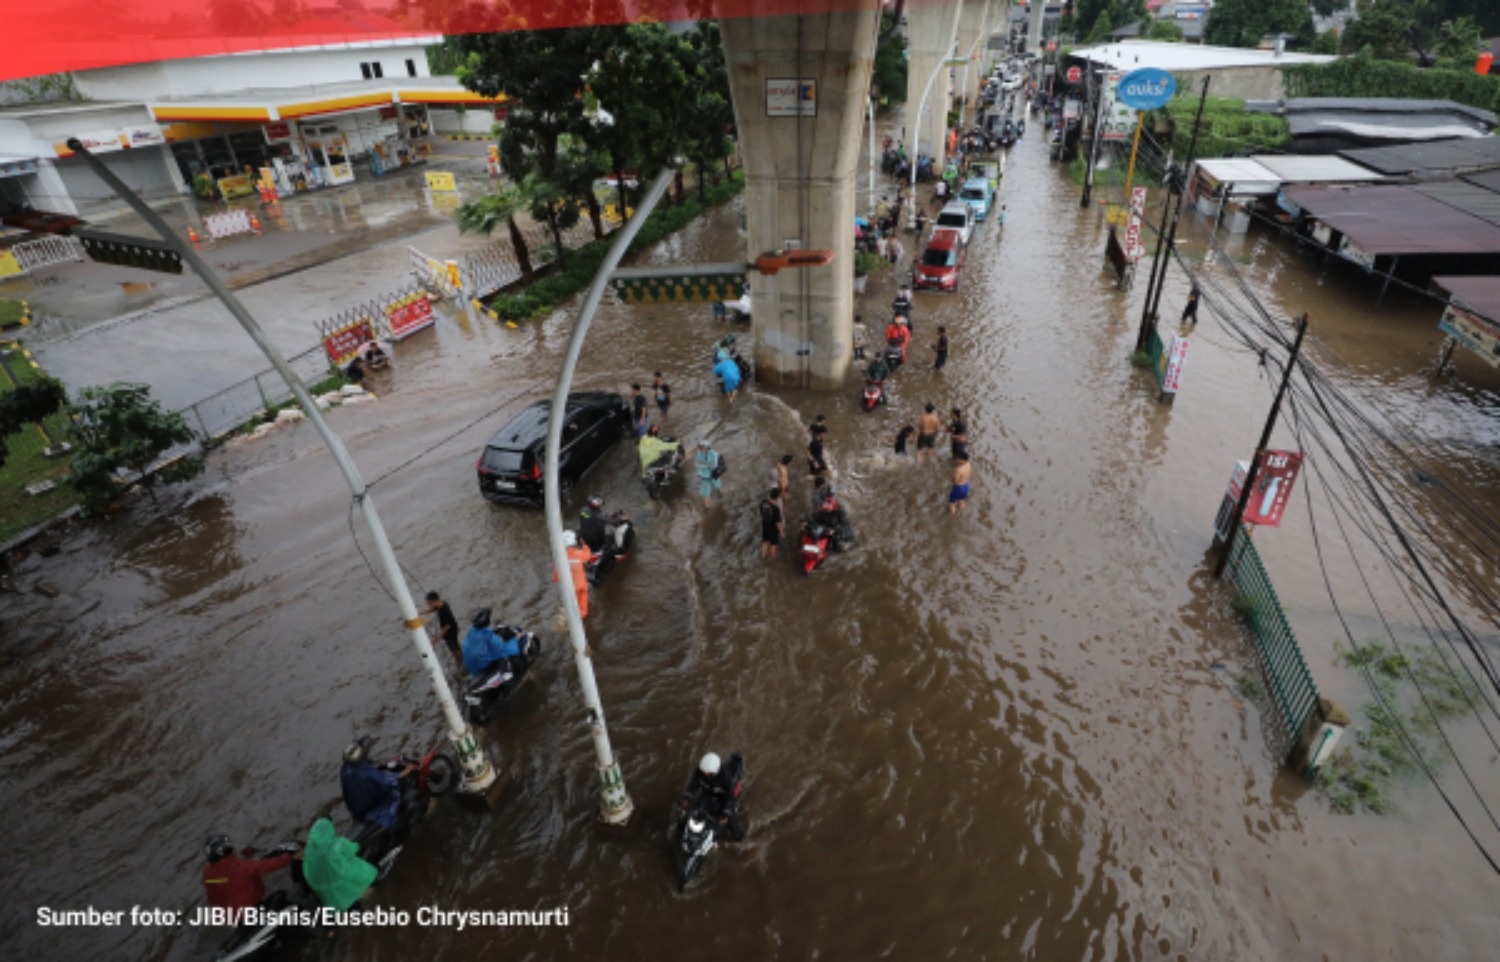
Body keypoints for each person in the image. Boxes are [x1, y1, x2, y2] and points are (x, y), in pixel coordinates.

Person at [201, 834, 300, 911]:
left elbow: (229, 875)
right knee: (282, 899)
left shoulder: (207, 871)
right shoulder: (243, 867)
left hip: (225, 914)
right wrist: (290, 857)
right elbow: (270, 865)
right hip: (250, 910)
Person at [301, 817, 376, 912]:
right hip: (336, 884)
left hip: (317, 883)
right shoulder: (338, 846)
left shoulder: (310, 847)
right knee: (368, 886)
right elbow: (354, 848)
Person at [679, 752, 745, 841]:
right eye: (703, 772)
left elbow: (730, 797)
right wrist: (687, 798)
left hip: (724, 798)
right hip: (708, 794)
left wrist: (726, 814)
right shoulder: (700, 772)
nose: (704, 774)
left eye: (707, 773)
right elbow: (693, 785)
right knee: (692, 815)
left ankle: (739, 837)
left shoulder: (727, 779)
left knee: (731, 821)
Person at [552, 531, 594, 617]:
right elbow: (588, 555)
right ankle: (583, 617)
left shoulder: (561, 558)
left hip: (572, 588)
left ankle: (574, 620)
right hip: (583, 584)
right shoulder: (579, 554)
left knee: (572, 607)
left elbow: (556, 578)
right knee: (583, 606)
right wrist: (584, 545)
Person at [425, 591, 460, 666]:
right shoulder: (439, 604)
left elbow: (447, 627)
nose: (429, 606)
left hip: (451, 631)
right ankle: (460, 662)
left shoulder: (444, 610)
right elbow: (432, 610)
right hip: (447, 632)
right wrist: (420, 613)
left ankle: (460, 663)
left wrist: (437, 638)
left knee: (455, 648)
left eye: (430, 603)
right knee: (453, 648)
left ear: (435, 601)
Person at [695, 439, 724, 507]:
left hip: (713, 474)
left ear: (707, 447)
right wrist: (706, 465)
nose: (701, 449)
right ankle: (706, 506)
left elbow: (714, 465)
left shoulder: (713, 454)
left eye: (702, 447)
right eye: (700, 447)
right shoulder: (699, 454)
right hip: (704, 476)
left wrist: (703, 464)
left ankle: (721, 493)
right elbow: (697, 465)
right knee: (705, 492)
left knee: (718, 485)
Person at [759, 487, 784, 560]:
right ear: (777, 497)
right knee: (773, 545)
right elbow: (778, 523)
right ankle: (772, 559)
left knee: (765, 542)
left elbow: (761, 513)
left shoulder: (763, 503)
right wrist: (781, 532)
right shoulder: (776, 509)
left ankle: (763, 557)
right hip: (773, 529)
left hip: (765, 526)